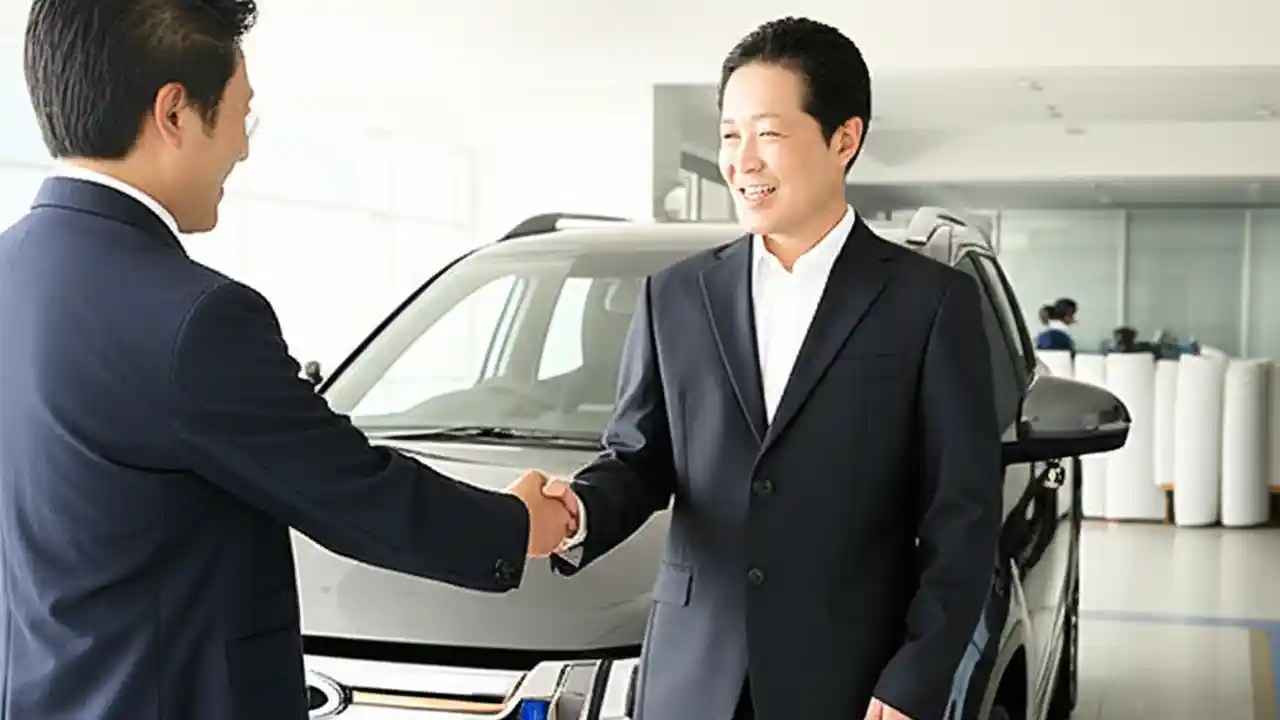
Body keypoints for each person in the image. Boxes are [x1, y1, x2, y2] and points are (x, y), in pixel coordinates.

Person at [0, 2, 572, 718]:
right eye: (243, 113)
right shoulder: (194, 319)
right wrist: (516, 525)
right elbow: (354, 492)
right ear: (174, 112)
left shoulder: (11, 273)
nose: (242, 147)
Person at [515, 16, 1002, 720]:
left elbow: (963, 518)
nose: (742, 160)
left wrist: (912, 680)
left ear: (845, 139)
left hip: (850, 680)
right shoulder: (675, 296)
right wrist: (579, 511)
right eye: (730, 135)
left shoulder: (929, 303)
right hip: (692, 675)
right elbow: (639, 460)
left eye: (769, 134)